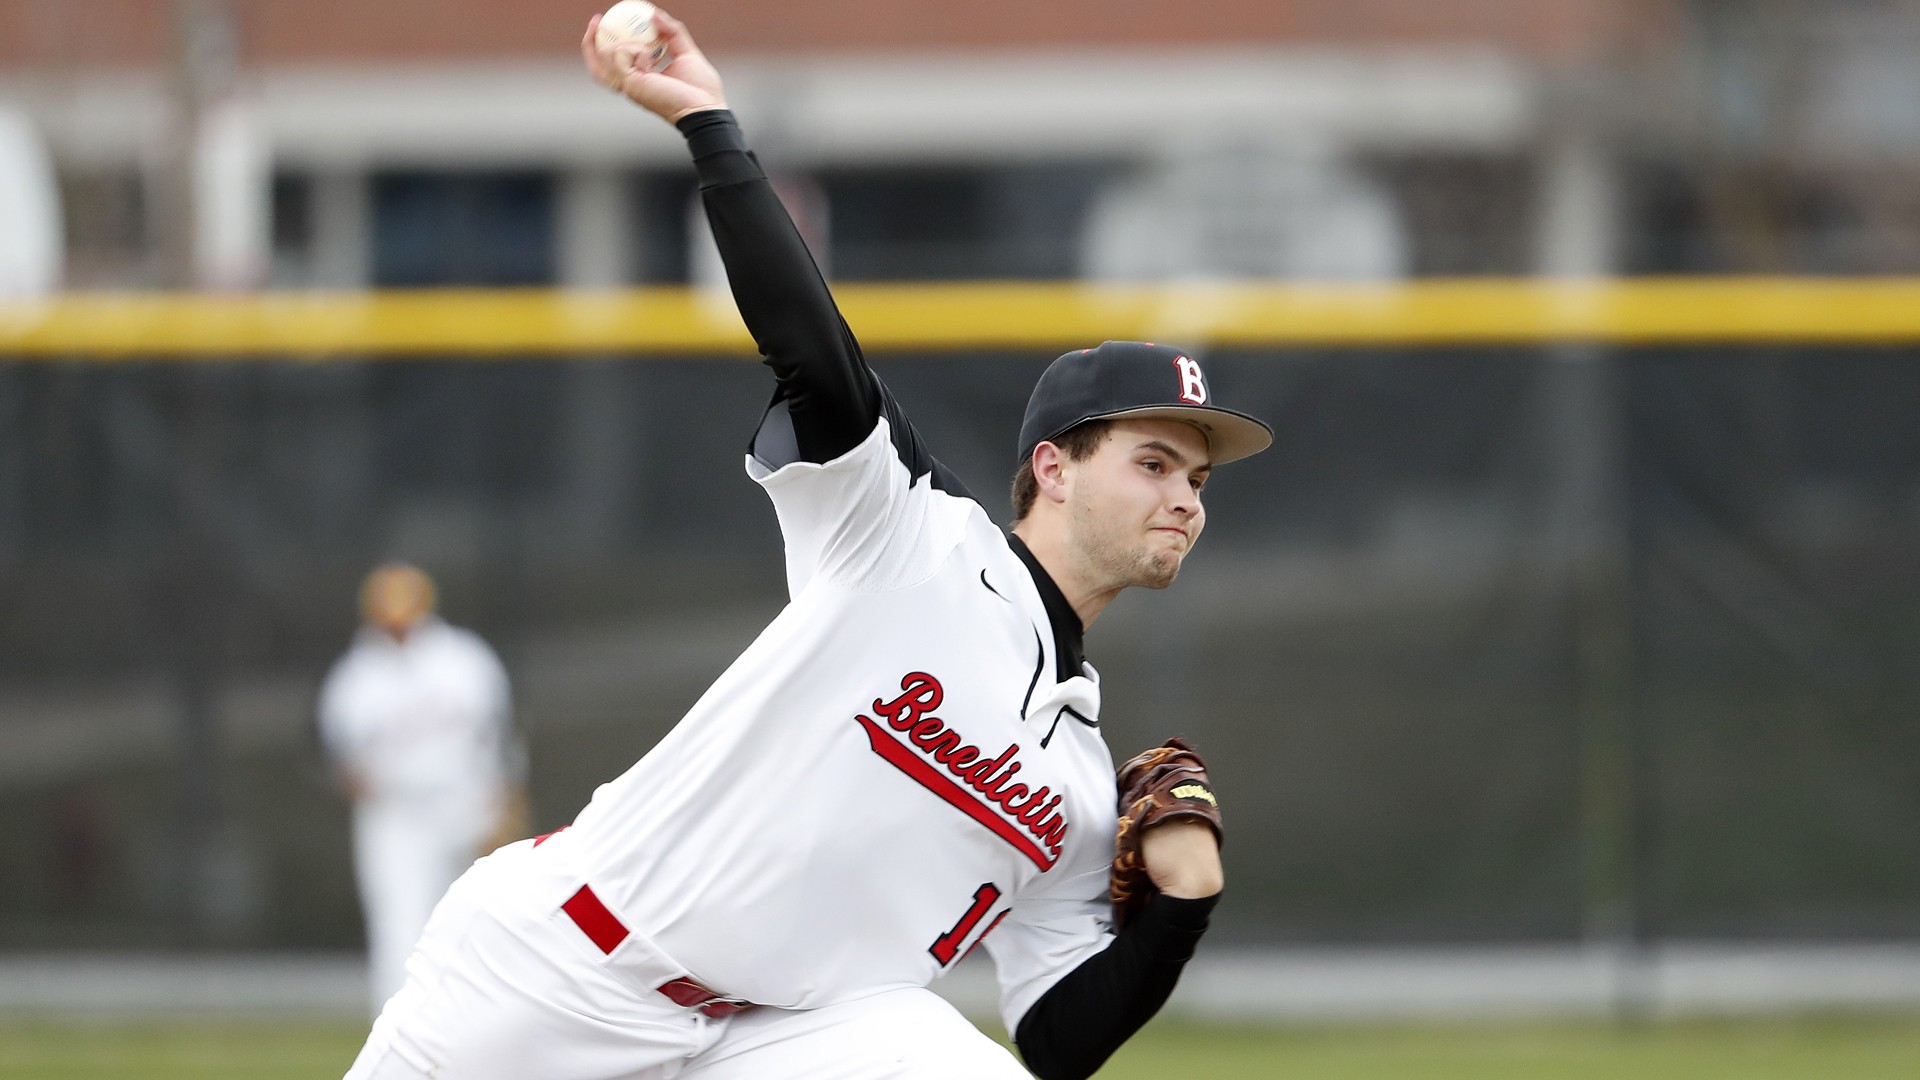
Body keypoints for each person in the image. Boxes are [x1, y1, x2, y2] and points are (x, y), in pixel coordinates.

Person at [341, 10, 1272, 1079]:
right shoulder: (910, 538)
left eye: (1197, 480)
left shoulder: (1077, 781)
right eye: (1153, 464)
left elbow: (1056, 1038)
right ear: (1054, 468)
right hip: (563, 973)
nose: (1186, 499)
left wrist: (1180, 912)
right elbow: (814, 361)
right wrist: (708, 126)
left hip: (776, 1039)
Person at [319, 561, 525, 1015]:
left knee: (480, 921)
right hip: (397, 813)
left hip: (467, 802)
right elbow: (342, 763)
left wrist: (507, 802)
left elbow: (502, 736)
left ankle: (478, 1024)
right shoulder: (354, 679)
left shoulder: (466, 660)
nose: (399, 630)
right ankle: (403, 1036)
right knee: (400, 927)